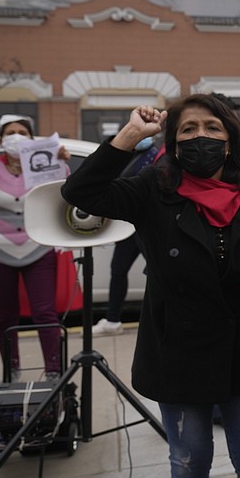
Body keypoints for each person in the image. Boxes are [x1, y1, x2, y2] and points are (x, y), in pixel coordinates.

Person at [61, 94, 240, 478]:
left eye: (212, 127)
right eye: (188, 129)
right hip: (178, 353)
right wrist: (131, 134)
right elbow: (81, 191)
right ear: (174, 144)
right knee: (189, 462)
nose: (201, 136)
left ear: (230, 140)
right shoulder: (152, 189)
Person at [0, 114, 71, 380]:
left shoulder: (45, 166)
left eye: (23, 132)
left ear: (32, 140)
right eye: (10, 133)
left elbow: (65, 194)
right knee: (4, 317)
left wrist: (62, 164)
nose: (16, 137)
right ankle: (11, 370)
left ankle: (54, 371)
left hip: (37, 249)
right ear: (1, 138)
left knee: (45, 313)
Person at [92, 134, 161, 336]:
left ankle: (157, 320)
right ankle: (113, 319)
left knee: (156, 271)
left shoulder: (154, 157)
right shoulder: (128, 155)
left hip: (144, 224)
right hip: (126, 226)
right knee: (118, 270)